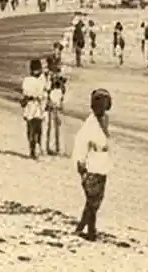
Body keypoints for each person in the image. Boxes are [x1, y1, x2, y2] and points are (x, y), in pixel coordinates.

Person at [72, 89, 112, 241]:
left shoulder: (104, 120)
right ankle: (90, 230)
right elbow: (81, 143)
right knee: (93, 200)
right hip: (91, 163)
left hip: (102, 162)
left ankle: (82, 227)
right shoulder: (89, 124)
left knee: (95, 200)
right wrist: (80, 162)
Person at [20, 59, 46, 159]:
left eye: (38, 69)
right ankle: (32, 149)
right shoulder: (27, 80)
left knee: (38, 129)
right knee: (31, 128)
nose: (37, 72)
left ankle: (38, 146)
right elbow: (26, 92)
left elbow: (43, 93)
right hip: (31, 106)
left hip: (38, 106)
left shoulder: (42, 80)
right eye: (35, 70)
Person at [46, 76, 66, 155]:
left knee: (52, 130)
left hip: (53, 111)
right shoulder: (57, 92)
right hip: (54, 111)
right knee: (55, 130)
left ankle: (54, 147)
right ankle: (55, 148)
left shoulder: (55, 92)